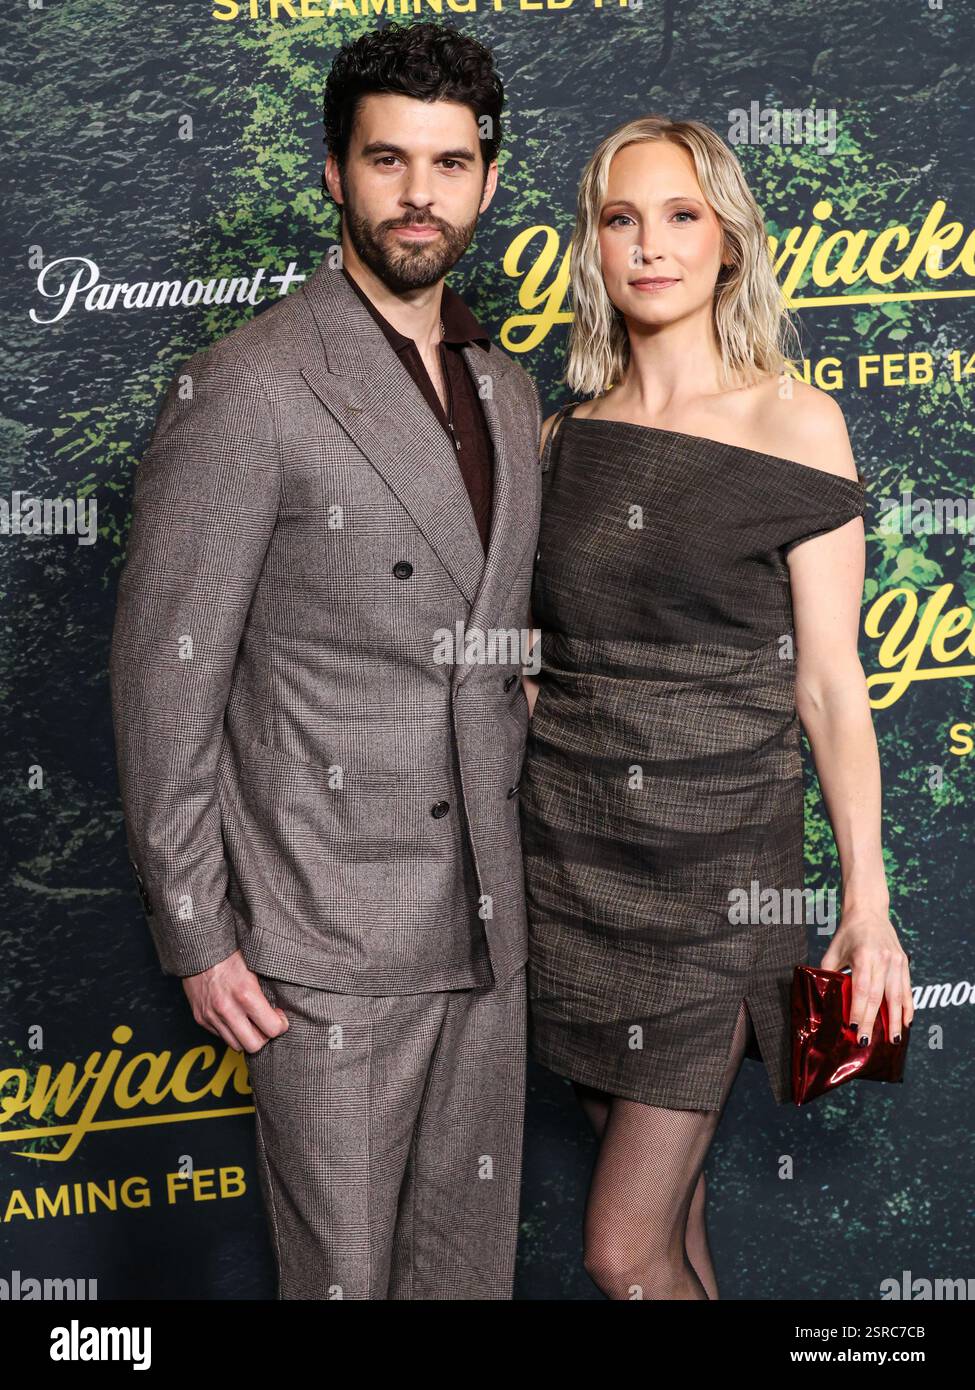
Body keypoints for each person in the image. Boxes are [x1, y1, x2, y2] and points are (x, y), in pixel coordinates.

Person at [109, 21, 543, 1300]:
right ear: (334, 175)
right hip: (326, 934)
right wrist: (198, 934)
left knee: (465, 1279)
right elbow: (161, 680)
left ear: (488, 182)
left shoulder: (507, 388)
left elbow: (492, 626)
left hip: (488, 922)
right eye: (389, 161)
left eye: (451, 164)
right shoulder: (246, 388)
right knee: (344, 1283)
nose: (421, 196)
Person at [519, 114, 914, 1300]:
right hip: (575, 876)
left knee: (622, 1254)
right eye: (620, 217)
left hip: (718, 890)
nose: (651, 244)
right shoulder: (560, 437)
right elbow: (548, 657)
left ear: (728, 243)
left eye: (681, 215)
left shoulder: (793, 422)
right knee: (677, 1235)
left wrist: (867, 900)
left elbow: (830, 684)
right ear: (591, 245)